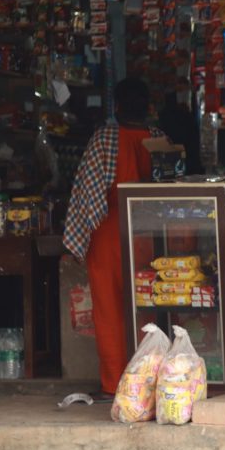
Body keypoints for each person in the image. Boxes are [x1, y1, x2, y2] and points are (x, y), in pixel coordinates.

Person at [64, 78, 163, 401]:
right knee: (148, 304)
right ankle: (150, 379)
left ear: (116, 107)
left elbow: (86, 193)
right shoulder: (159, 138)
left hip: (109, 234)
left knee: (109, 308)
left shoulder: (105, 138)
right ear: (148, 107)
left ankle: (114, 384)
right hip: (149, 236)